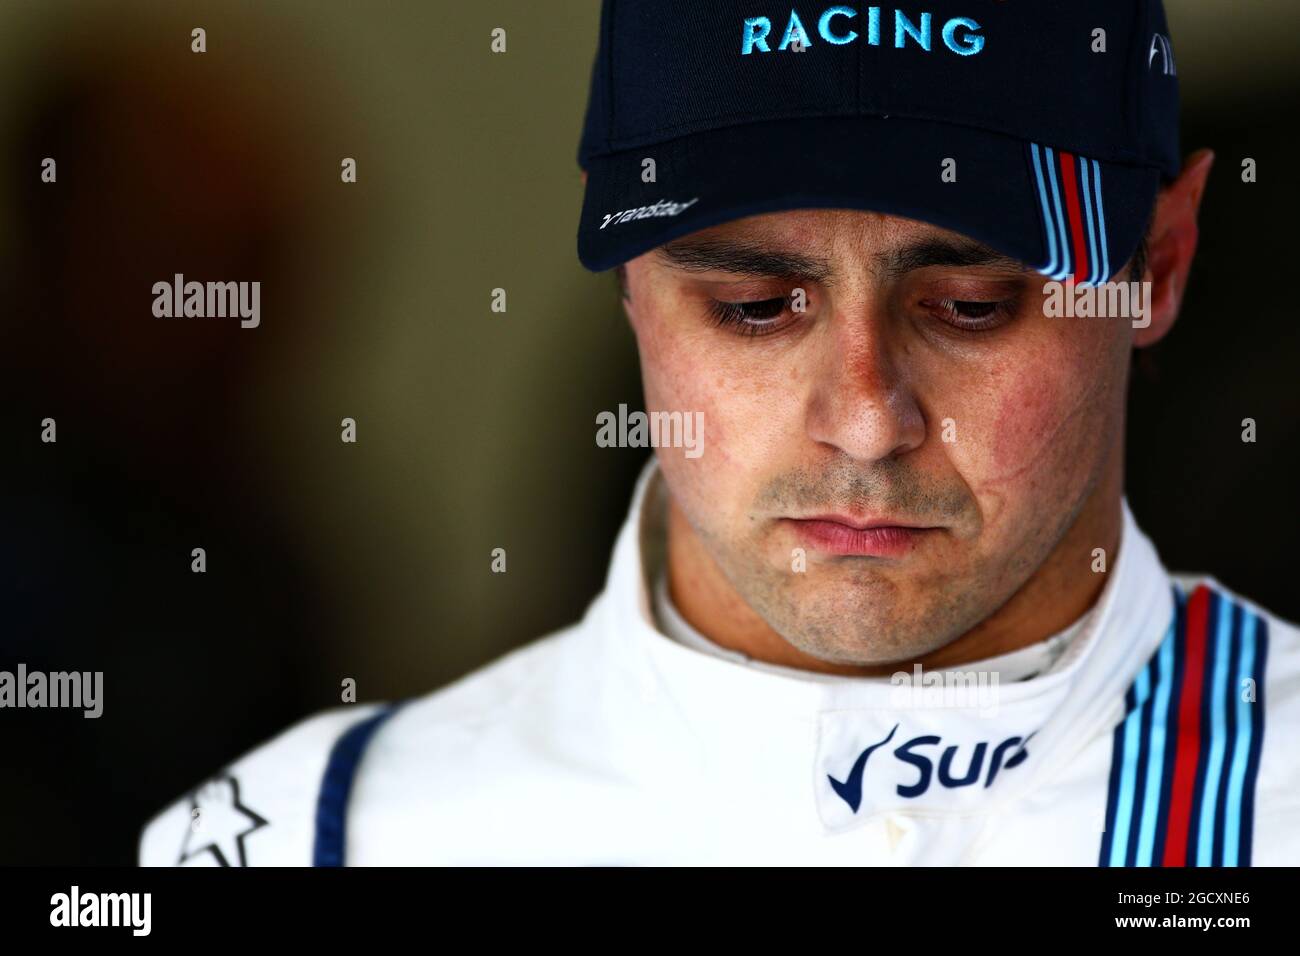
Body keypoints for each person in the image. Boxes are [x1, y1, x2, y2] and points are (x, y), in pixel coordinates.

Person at [141, 0, 1298, 866]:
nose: (861, 418)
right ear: (630, 289)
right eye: (751, 308)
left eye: (968, 307)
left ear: (1157, 267)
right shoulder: (297, 837)